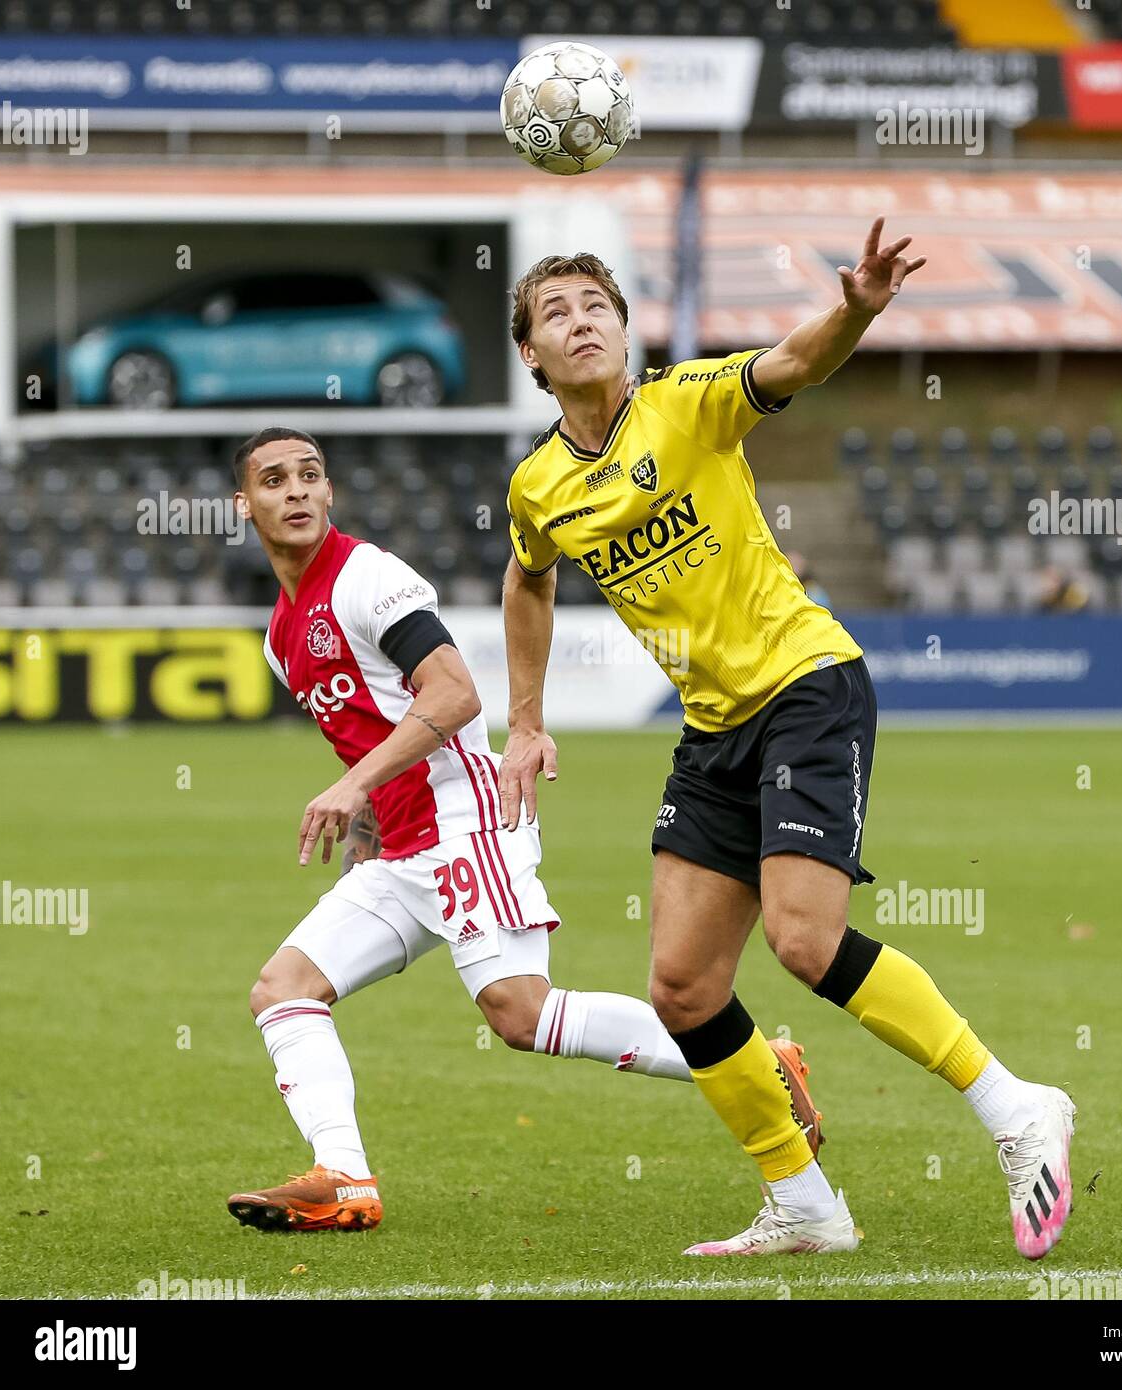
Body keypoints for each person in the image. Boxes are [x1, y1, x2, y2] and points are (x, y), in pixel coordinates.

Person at [498, 222, 1075, 1259]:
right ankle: (804, 1203)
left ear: (625, 332)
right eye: (555, 314)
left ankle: (1016, 1106)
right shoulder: (538, 486)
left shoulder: (687, 403)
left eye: (596, 307)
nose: (580, 323)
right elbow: (526, 578)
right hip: (713, 726)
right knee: (682, 984)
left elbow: (793, 362)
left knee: (802, 941)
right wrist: (526, 719)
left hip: (806, 684)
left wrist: (855, 306)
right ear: (531, 358)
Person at [224, 425, 817, 1231]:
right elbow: (368, 729)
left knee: (521, 1014)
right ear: (244, 505)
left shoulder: (367, 578)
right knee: (283, 990)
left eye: (310, 475)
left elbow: (454, 694)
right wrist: (363, 819)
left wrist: (351, 785)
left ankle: (759, 1066)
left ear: (330, 494)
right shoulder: (280, 633)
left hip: (467, 826)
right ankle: (345, 1179)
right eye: (273, 480)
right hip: (398, 855)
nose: (294, 491)